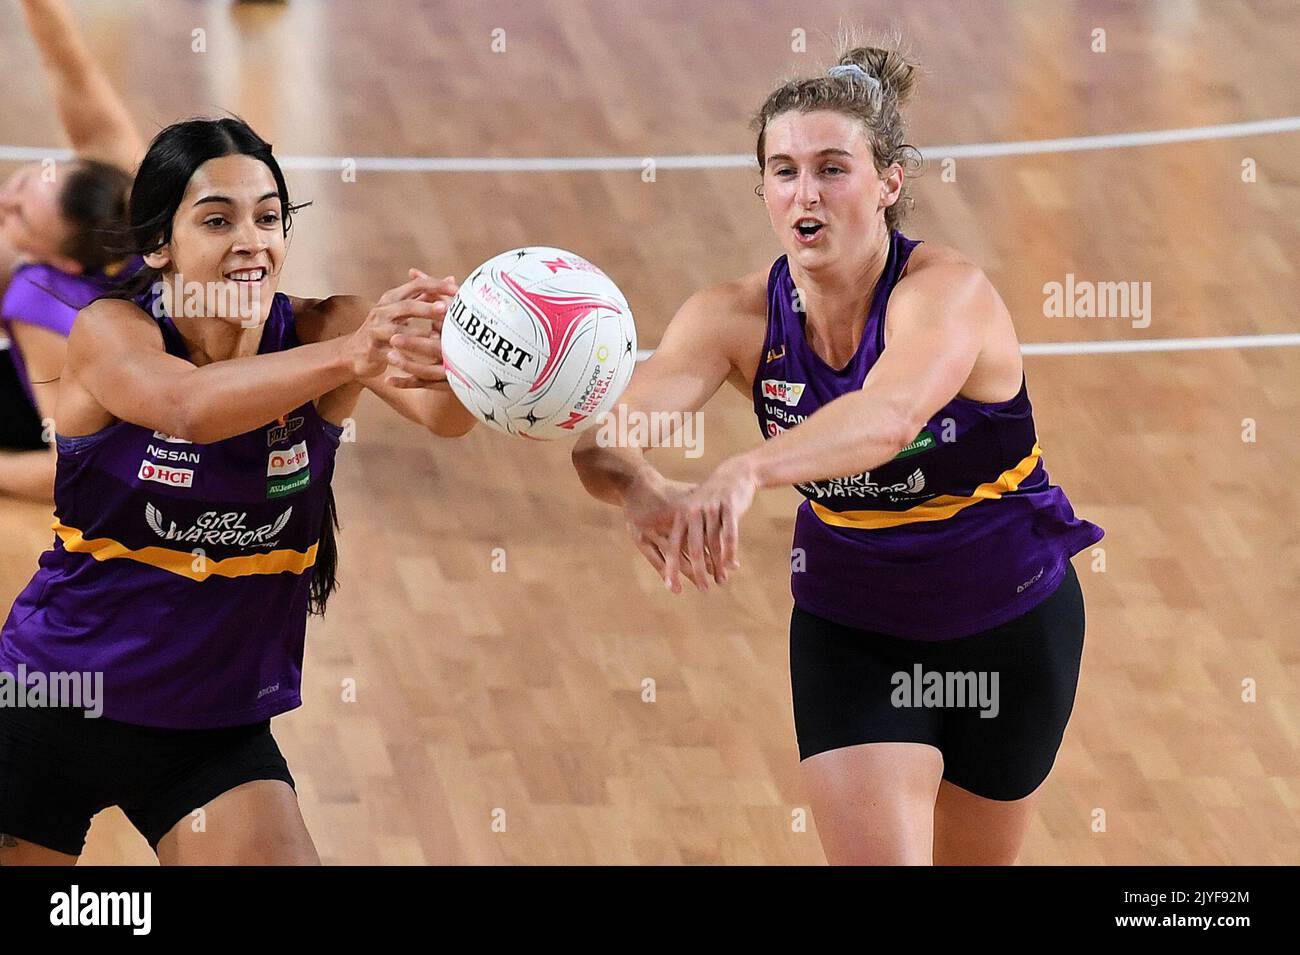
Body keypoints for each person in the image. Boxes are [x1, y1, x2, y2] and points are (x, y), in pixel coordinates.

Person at [571, 43, 1104, 865]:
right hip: (855, 629)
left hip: (1011, 621)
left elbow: (887, 415)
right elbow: (607, 436)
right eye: (782, 171)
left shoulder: (948, 293)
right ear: (764, 191)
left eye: (831, 167)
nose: (805, 192)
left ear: (889, 182)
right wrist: (636, 484)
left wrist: (747, 467)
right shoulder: (735, 317)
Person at [0, 116, 474, 866]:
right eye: (217, 219)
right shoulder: (113, 331)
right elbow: (187, 409)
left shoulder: (326, 328)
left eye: (268, 217)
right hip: (53, 699)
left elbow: (446, 419)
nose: (251, 238)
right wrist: (350, 357)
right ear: (160, 244)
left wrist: (487, 355)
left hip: (209, 724)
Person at [0, 0, 144, 500]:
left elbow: (75, 472)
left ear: (64, 263)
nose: (5, 200)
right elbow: (66, 59)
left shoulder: (35, 296)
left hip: (56, 415)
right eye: (22, 182)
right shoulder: (125, 195)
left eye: (19, 215)